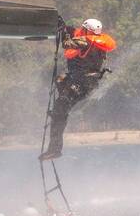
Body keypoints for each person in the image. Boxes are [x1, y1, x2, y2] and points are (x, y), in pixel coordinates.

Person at [41, 18, 117, 161]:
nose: (81, 30)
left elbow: (67, 43)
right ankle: (59, 114)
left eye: (83, 29)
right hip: (85, 81)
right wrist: (65, 27)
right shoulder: (95, 40)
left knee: (60, 109)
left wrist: (64, 33)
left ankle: (55, 149)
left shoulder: (84, 42)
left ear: (87, 30)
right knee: (60, 81)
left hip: (82, 83)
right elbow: (75, 33)